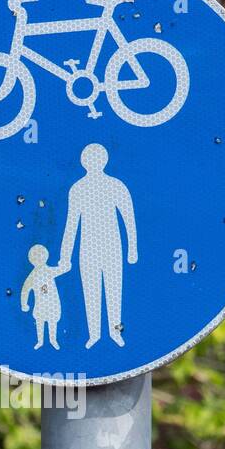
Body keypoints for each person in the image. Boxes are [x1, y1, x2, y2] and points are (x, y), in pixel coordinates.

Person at [58, 144, 137, 347]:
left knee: (114, 288)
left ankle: (115, 332)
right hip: (87, 247)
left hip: (112, 245)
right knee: (90, 290)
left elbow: (128, 217)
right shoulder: (78, 189)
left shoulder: (116, 185)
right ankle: (94, 334)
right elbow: (71, 224)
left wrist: (133, 248)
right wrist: (65, 256)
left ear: (104, 160)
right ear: (84, 162)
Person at [20, 243, 67, 349]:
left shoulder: (49, 271)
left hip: (52, 303)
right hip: (40, 304)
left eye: (41, 255)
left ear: (46, 256)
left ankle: (53, 340)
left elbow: (62, 269)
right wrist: (24, 304)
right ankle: (40, 341)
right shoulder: (32, 275)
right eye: (35, 256)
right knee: (39, 322)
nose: (38, 258)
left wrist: (66, 265)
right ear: (31, 259)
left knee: (52, 322)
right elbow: (25, 290)